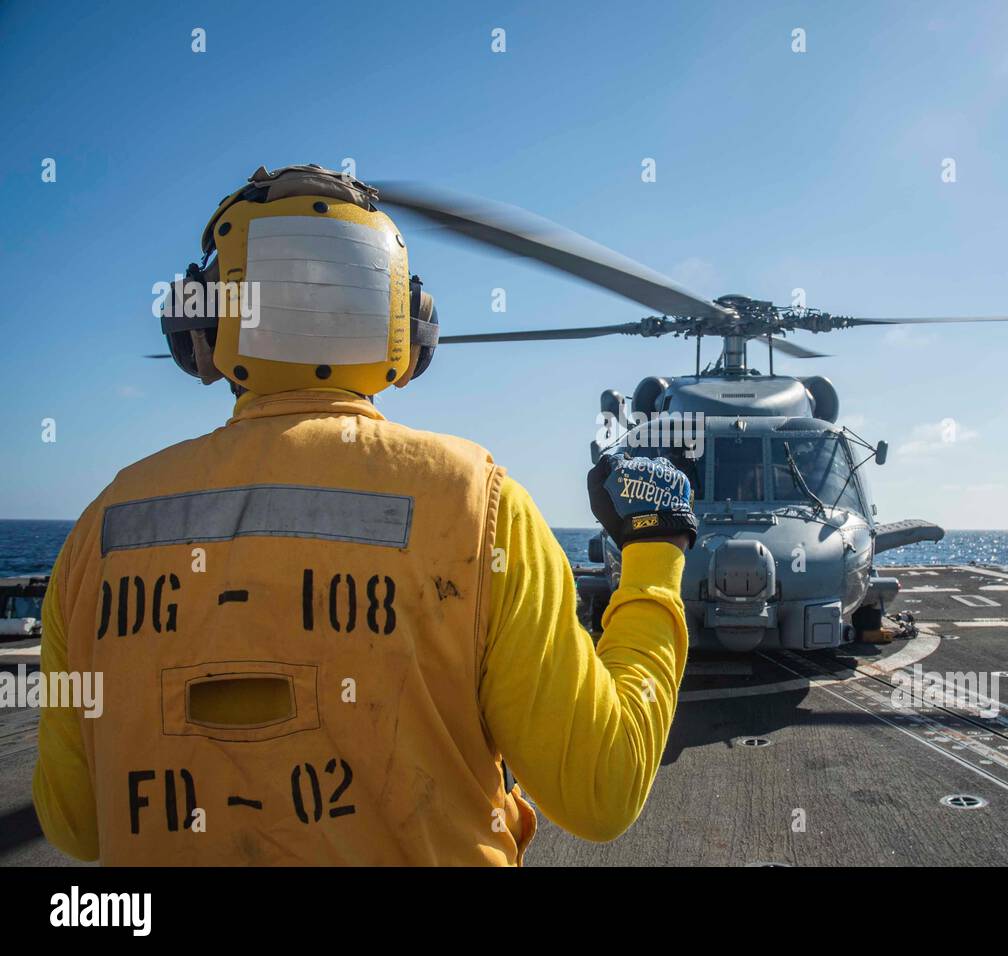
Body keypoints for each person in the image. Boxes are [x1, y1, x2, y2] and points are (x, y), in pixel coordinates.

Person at [31, 164, 698, 865]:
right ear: (407, 329)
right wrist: (656, 549)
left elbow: (76, 823)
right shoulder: (478, 504)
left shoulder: (99, 533)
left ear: (198, 321)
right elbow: (602, 789)